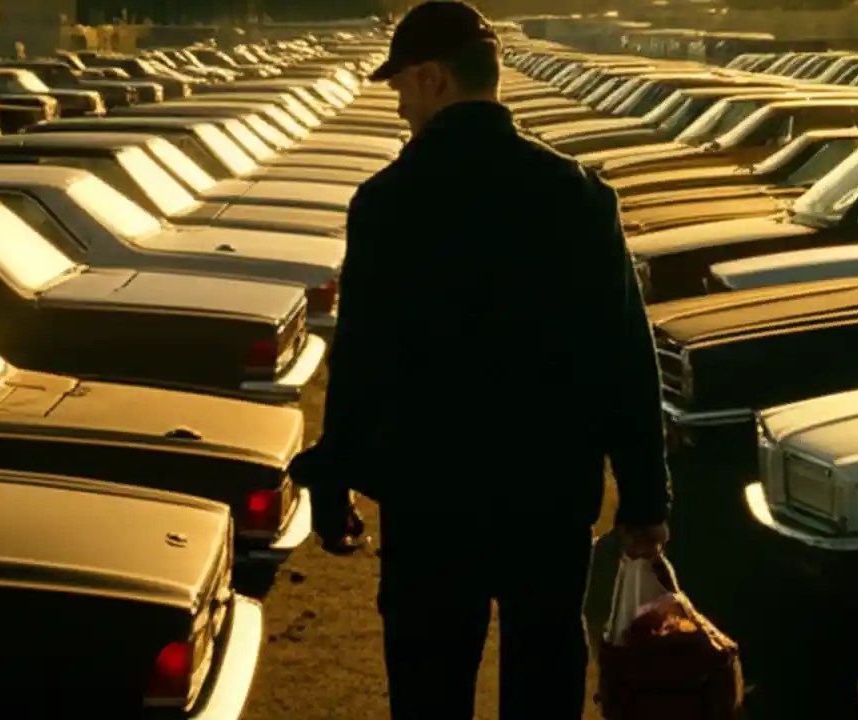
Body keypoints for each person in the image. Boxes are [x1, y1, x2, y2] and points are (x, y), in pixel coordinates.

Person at [289, 2, 674, 718]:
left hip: (429, 506)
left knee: (429, 688)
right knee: (544, 680)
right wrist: (644, 498)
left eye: (401, 85)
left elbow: (362, 360)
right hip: (549, 502)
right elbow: (623, 352)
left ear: (433, 79)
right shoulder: (577, 195)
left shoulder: (388, 203)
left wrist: (334, 482)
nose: (400, 105)